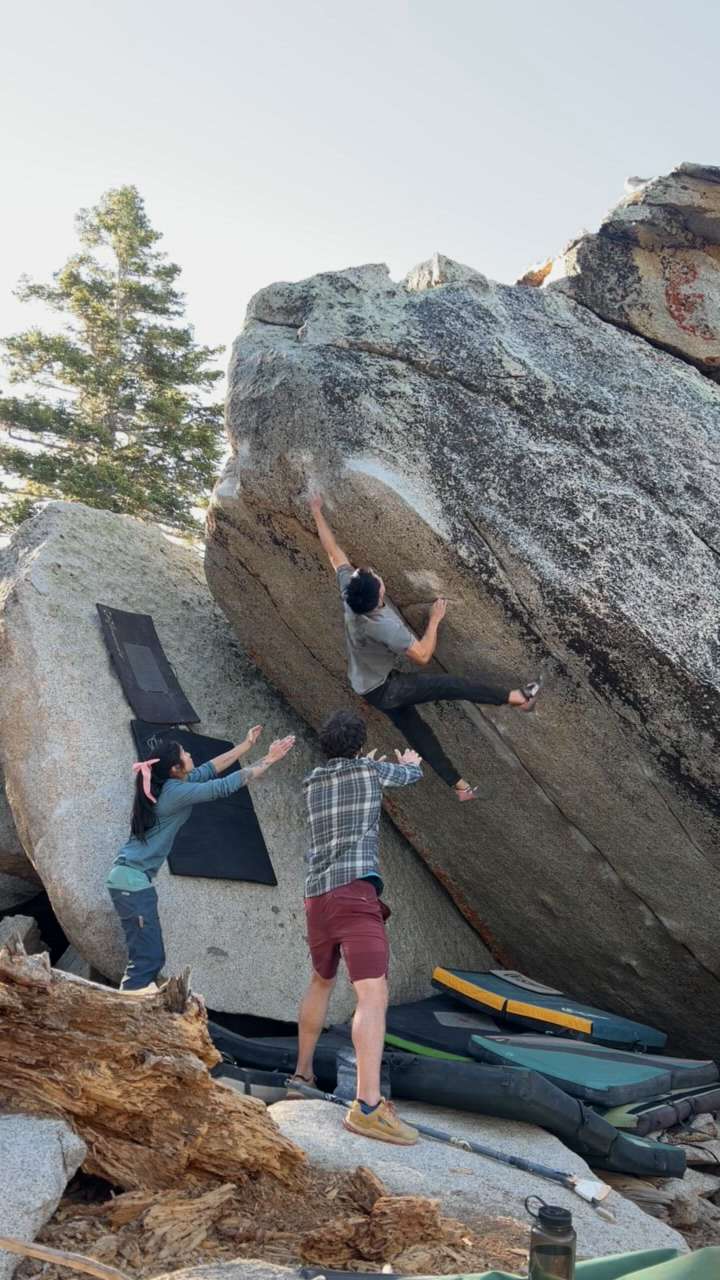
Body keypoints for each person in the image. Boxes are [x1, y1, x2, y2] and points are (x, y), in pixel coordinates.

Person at [309, 494, 540, 801]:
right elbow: (422, 655)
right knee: (449, 685)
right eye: (377, 580)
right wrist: (434, 621)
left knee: (418, 733)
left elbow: (333, 552)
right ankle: (517, 699)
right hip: (384, 688)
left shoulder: (351, 593)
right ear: (378, 597)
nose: (376, 575)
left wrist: (316, 512)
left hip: (366, 685)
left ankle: (460, 787)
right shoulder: (382, 625)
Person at [289, 709, 421, 1145]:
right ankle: (368, 1106)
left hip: (316, 898)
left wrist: (364, 764)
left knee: (320, 980)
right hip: (353, 894)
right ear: (360, 746)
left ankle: (302, 1074)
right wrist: (409, 763)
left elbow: (349, 775)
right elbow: (408, 778)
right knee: (373, 994)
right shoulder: (370, 771)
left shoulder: (311, 783)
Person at [107, 725, 295, 993]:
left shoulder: (175, 784)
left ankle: (130, 1013)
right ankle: (126, 1016)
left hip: (130, 880)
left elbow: (210, 768)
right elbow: (223, 786)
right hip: (131, 882)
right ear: (175, 768)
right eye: (184, 753)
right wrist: (270, 759)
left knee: (150, 958)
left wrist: (246, 744)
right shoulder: (175, 793)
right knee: (147, 961)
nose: (189, 754)